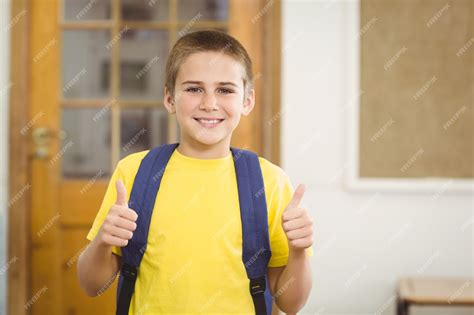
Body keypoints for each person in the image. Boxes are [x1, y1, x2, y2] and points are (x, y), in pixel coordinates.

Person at [77, 29, 313, 314]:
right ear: (169, 99)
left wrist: (298, 252)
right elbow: (92, 285)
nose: (209, 103)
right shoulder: (134, 172)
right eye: (193, 89)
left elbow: (291, 304)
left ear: (247, 101)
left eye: (225, 90)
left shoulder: (269, 182)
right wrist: (104, 240)